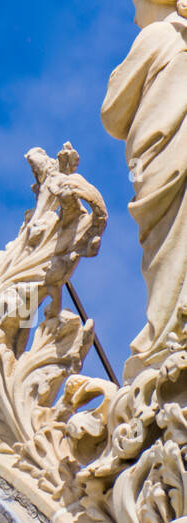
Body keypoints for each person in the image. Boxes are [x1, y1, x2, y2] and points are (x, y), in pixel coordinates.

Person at [102, 0, 187, 377]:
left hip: (164, 166)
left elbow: (113, 113)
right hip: (169, 163)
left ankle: (164, 338)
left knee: (167, 250)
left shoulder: (159, 34)